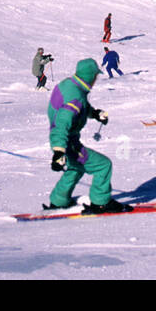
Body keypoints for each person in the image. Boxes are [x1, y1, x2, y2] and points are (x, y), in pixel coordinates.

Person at [46, 58, 129, 214]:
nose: (96, 80)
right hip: (67, 143)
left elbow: (80, 107)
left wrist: (95, 114)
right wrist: (58, 151)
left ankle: (58, 201)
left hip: (68, 141)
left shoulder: (70, 85)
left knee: (76, 167)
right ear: (90, 76)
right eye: (96, 76)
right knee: (103, 165)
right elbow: (61, 124)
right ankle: (101, 202)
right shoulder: (75, 98)